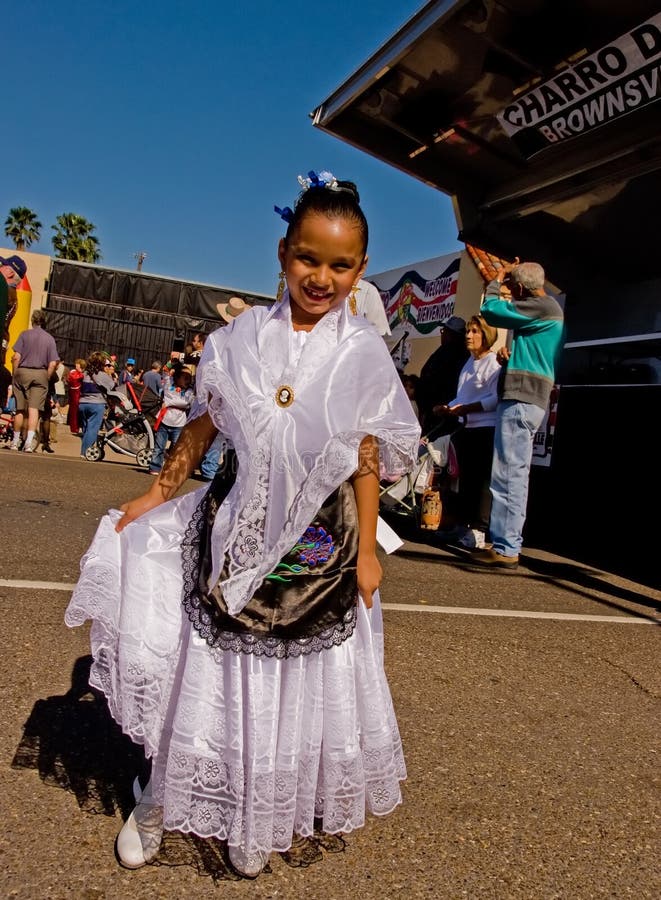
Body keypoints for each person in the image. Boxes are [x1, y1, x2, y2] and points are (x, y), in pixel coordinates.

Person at [65, 169, 420, 878]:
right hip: (233, 533)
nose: (321, 277)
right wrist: (155, 495)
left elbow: (366, 455)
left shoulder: (361, 353)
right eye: (308, 258)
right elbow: (203, 428)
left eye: (340, 265)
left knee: (282, 687)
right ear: (284, 251)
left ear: (359, 271)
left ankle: (255, 814)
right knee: (209, 674)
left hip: (318, 547)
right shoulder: (236, 340)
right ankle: (164, 796)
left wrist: (368, 557)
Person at [471, 258, 564, 569]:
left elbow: (491, 311)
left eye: (513, 287)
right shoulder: (545, 311)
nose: (510, 290)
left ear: (522, 287)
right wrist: (510, 359)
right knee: (512, 471)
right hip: (531, 397)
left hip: (522, 399)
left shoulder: (541, 307)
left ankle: (507, 546)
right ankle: (504, 542)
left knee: (509, 473)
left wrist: (496, 281)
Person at [434, 315, 500, 549]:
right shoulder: (469, 363)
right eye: (468, 331)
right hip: (467, 427)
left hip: (486, 429)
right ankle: (462, 525)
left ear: (486, 336)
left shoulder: (493, 363)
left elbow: (495, 399)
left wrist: (466, 408)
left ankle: (479, 531)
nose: (469, 336)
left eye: (475, 332)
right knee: (464, 481)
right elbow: (462, 397)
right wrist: (447, 407)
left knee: (481, 483)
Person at [6, 309, 59, 452]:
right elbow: (53, 363)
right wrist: (46, 377)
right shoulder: (49, 339)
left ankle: (15, 442)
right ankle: (29, 443)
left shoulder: (24, 334)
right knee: (34, 409)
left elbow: (16, 356)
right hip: (40, 374)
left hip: (22, 371)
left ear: (32, 320)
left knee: (20, 409)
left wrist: (15, 373)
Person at [416, 315, 469, 436]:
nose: (442, 334)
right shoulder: (444, 353)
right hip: (435, 413)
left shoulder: (453, 355)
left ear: (452, 334)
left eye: (444, 331)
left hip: (443, 416)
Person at [148, 364, 194, 475]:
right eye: (184, 377)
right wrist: (172, 363)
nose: (187, 380)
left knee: (177, 447)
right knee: (159, 446)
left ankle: (173, 467)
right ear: (177, 377)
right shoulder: (169, 386)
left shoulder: (189, 392)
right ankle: (155, 467)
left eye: (189, 377)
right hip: (165, 420)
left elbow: (186, 403)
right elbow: (165, 372)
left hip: (179, 423)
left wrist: (168, 402)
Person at [78, 353, 116, 459]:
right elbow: (113, 387)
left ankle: (83, 449)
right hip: (97, 404)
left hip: (82, 403)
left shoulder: (86, 373)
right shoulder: (103, 375)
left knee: (86, 428)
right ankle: (86, 452)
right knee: (92, 429)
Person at [0, 254, 27, 368]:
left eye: (2, 265)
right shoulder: (14, 297)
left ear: (10, 272)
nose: (0, 267)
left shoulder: (4, 292)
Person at [67, 359, 86, 434]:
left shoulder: (82, 373)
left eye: (77, 364)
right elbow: (71, 379)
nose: (76, 365)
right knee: (74, 411)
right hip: (73, 392)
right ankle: (74, 427)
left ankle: (78, 426)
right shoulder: (73, 372)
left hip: (78, 393)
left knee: (78, 411)